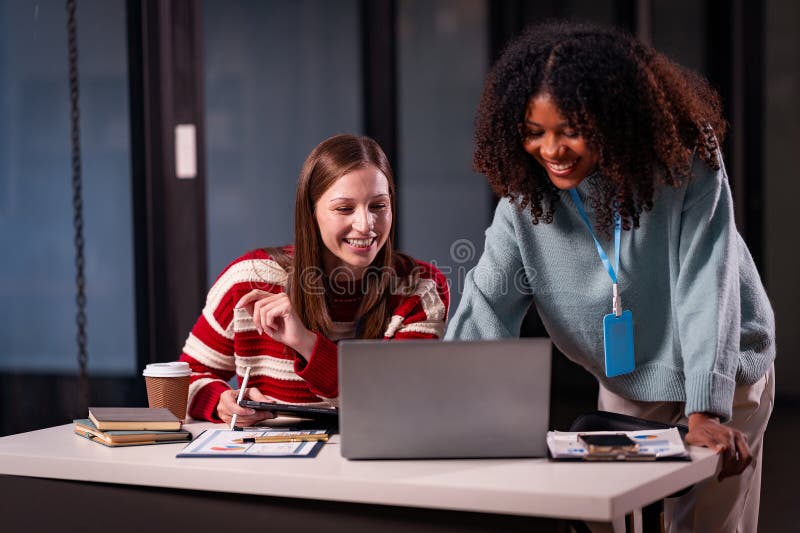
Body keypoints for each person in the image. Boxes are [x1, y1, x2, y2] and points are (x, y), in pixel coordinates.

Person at [445, 22, 774, 532]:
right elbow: (486, 308)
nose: (552, 150)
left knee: (704, 527)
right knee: (609, 520)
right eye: (535, 133)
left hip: (724, 373)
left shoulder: (685, 161)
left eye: (571, 130)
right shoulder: (524, 205)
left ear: (612, 120)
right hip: (629, 378)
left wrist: (707, 409)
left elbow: (707, 282)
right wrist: (444, 407)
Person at [180, 134, 449, 427]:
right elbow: (186, 377)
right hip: (274, 466)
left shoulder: (421, 287)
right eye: (344, 209)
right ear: (311, 213)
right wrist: (221, 401)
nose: (365, 225)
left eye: (378, 206)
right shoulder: (250, 279)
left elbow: (397, 401)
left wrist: (306, 343)